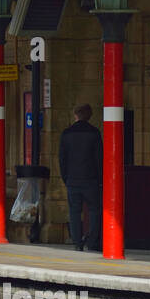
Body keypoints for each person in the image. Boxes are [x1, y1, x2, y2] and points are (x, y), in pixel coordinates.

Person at [59, 102, 103, 251]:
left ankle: (77, 242)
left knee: (74, 211)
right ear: (90, 115)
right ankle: (92, 241)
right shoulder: (94, 133)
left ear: (75, 115)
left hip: (72, 179)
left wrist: (66, 177)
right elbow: (99, 158)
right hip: (91, 179)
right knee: (94, 210)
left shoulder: (66, 133)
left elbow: (62, 159)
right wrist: (100, 179)